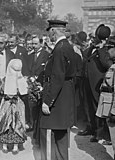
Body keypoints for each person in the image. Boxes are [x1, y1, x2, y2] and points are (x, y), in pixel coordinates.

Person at [39, 20, 77, 160]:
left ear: (53, 31)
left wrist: (47, 101)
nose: (49, 36)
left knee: (48, 133)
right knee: (61, 136)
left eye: (49, 32)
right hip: (64, 95)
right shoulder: (66, 46)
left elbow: (57, 77)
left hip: (57, 97)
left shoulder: (60, 48)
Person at [80, 24, 112, 144]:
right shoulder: (93, 48)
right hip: (88, 82)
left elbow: (107, 64)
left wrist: (101, 48)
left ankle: (102, 134)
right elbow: (85, 55)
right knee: (89, 106)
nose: (92, 39)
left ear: (103, 39)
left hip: (99, 84)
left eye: (95, 38)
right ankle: (92, 129)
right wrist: (93, 46)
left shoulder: (107, 49)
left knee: (99, 108)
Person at [0, 59, 27, 154]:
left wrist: (20, 91)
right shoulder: (5, 79)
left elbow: (23, 90)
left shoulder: (20, 78)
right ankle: (5, 144)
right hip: (7, 105)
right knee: (6, 123)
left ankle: (15, 145)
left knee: (17, 123)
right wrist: (2, 90)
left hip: (16, 105)